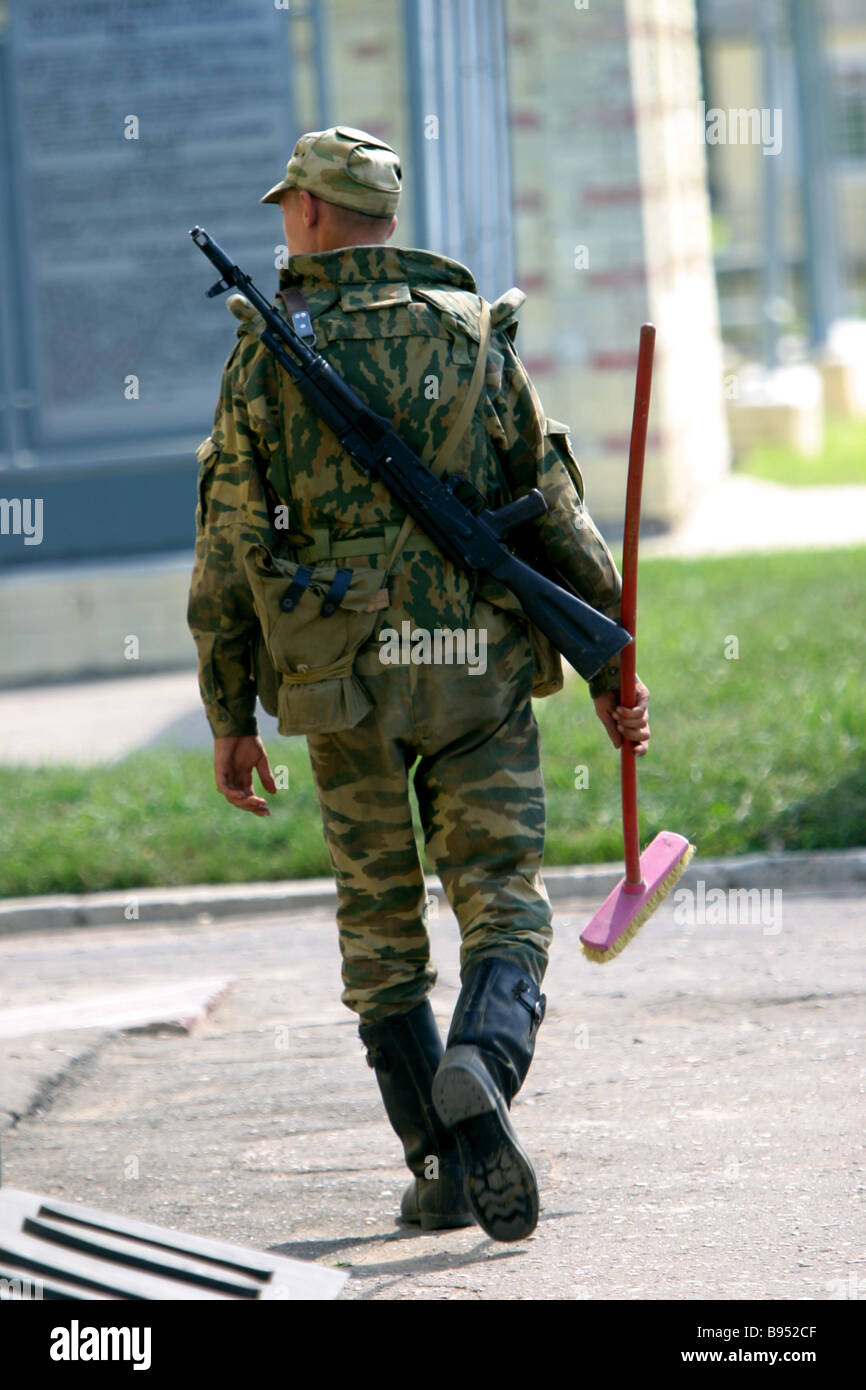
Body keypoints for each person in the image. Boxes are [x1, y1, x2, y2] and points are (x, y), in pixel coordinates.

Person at [187, 126, 650, 1243]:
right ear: (385, 217)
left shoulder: (263, 355)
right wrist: (611, 657)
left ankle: (441, 1166)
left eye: (288, 204)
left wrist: (229, 710)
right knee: (501, 893)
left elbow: (227, 544)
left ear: (307, 214)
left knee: (380, 934)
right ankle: (482, 1067)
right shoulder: (472, 336)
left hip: (334, 682)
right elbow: (549, 507)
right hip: (471, 670)